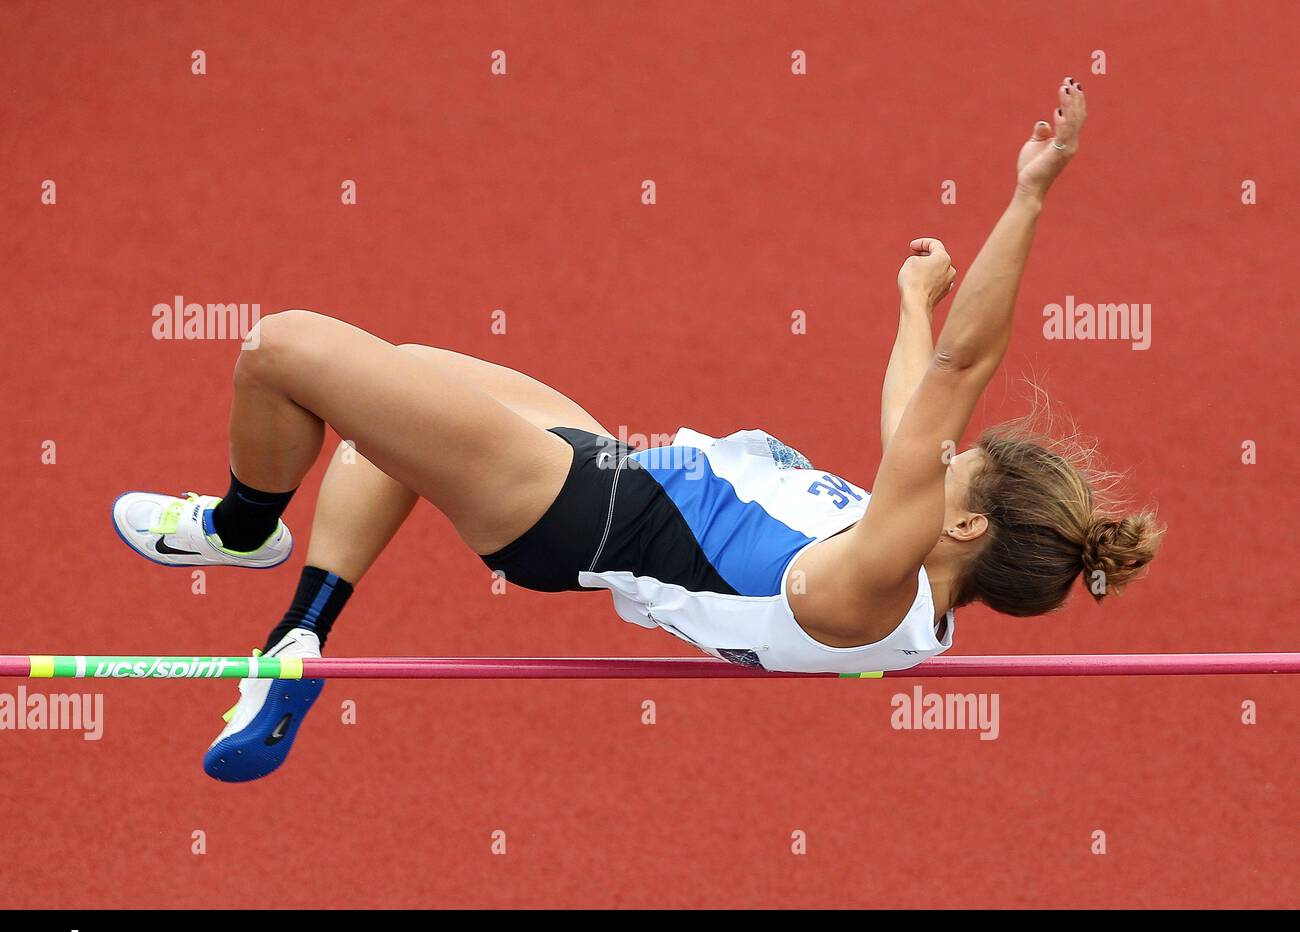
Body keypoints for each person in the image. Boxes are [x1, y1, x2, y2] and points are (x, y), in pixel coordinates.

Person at [111, 77, 1161, 781]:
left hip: (573, 506)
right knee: (405, 382)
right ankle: (294, 643)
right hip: (602, 466)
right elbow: (910, 416)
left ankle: (244, 530)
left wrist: (1028, 196)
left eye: (954, 465)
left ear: (964, 527)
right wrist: (907, 304)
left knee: (281, 348)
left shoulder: (869, 590)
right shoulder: (906, 560)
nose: (935, 455)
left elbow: (957, 373)